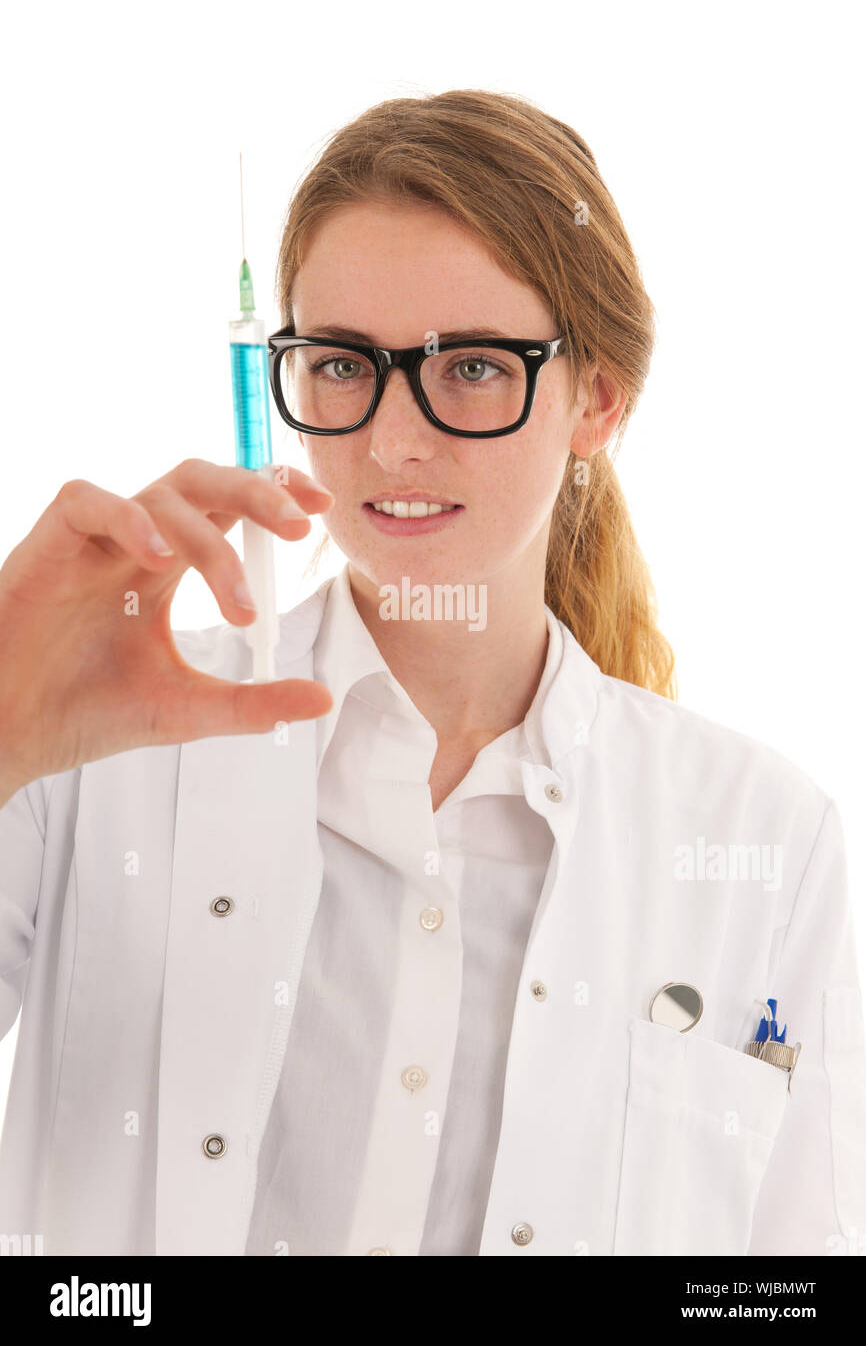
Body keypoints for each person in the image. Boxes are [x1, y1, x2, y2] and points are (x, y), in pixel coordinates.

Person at [0, 88, 864, 1258]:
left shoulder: (764, 836)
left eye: (469, 367)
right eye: (343, 363)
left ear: (595, 399)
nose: (393, 440)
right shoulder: (89, 752)